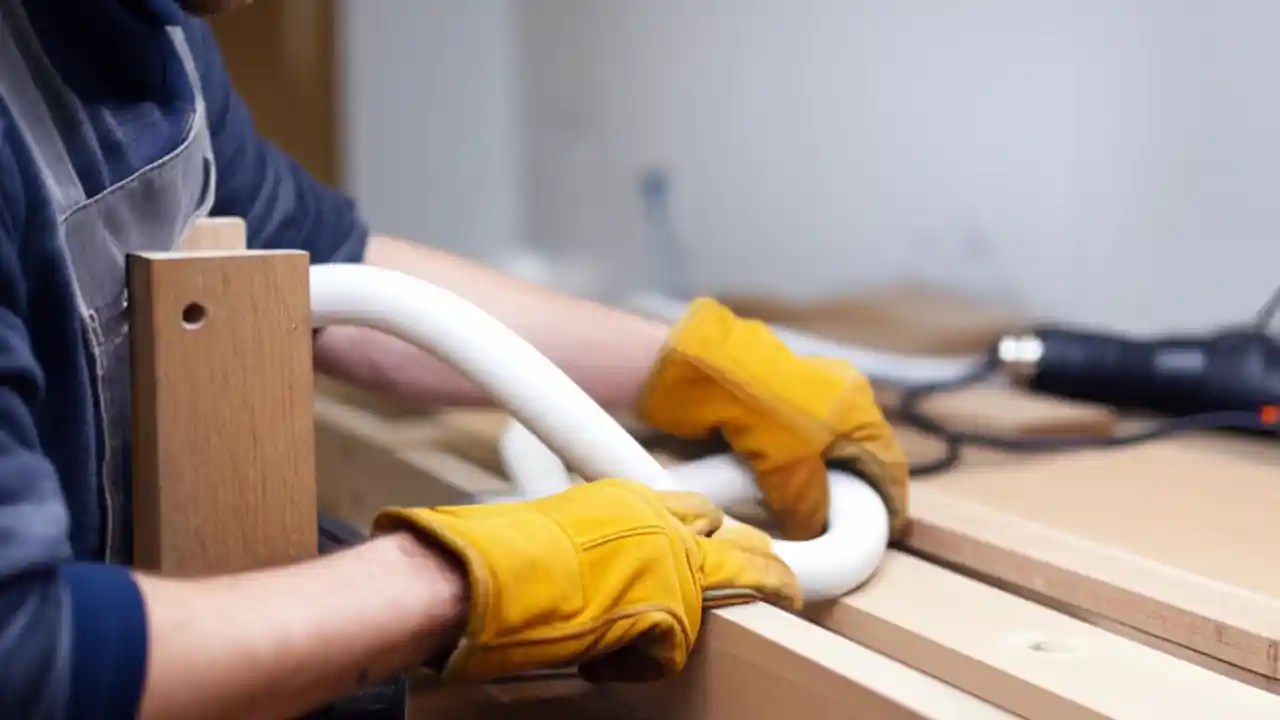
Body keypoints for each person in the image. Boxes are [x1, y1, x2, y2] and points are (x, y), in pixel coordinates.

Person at [0, 0, 909, 717]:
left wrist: (689, 368)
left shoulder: (147, 34)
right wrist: (460, 580)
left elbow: (324, 275)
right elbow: (27, 659)